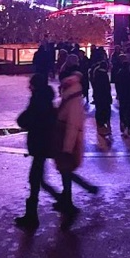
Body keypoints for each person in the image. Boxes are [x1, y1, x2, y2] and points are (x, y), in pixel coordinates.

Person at [14, 74, 57, 231]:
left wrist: (23, 120)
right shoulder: (45, 98)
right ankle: (33, 214)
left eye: (31, 85)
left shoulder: (38, 100)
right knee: (37, 179)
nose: (29, 87)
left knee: (35, 179)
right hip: (43, 143)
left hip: (39, 143)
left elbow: (27, 119)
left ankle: (32, 216)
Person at [53, 72, 86, 230]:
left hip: (67, 140)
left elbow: (73, 124)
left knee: (66, 171)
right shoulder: (71, 96)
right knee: (65, 172)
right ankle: (67, 201)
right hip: (64, 138)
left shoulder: (72, 99)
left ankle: (69, 204)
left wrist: (67, 147)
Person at [115, 54, 130, 136]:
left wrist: (118, 93)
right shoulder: (129, 74)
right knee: (128, 111)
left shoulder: (119, 73)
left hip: (122, 94)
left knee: (122, 110)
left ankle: (123, 124)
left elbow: (117, 84)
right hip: (128, 95)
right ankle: (128, 126)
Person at [92, 59, 112, 137]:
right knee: (104, 109)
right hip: (104, 96)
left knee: (99, 109)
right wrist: (109, 96)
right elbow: (107, 87)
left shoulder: (96, 73)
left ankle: (100, 125)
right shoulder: (104, 75)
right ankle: (103, 125)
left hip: (98, 95)